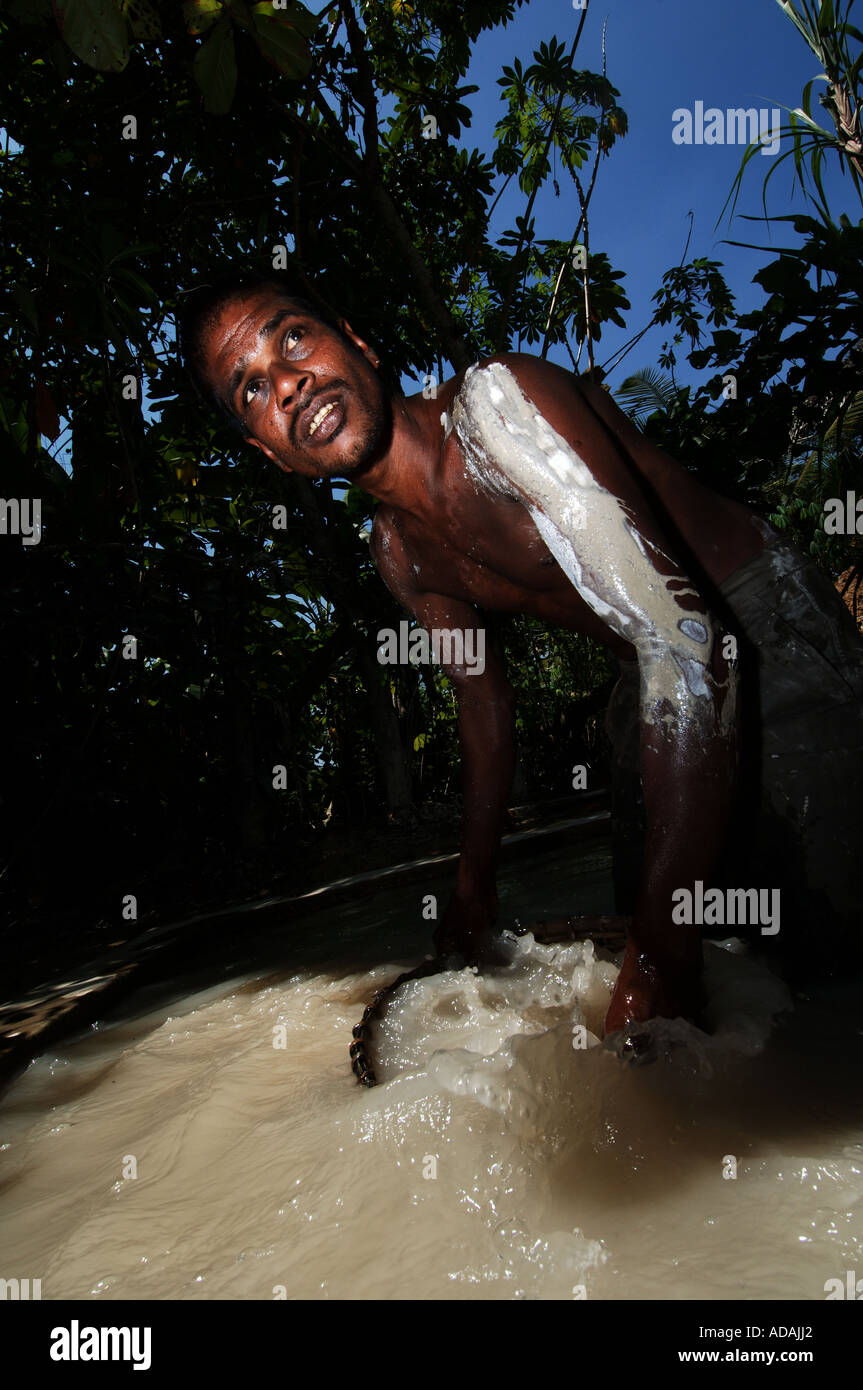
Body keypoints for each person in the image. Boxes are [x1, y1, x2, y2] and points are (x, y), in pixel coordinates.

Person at [178, 269, 863, 1037]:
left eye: (293, 339)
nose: (289, 385)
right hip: (648, 673)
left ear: (357, 344)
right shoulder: (399, 554)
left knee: (823, 950)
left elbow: (687, 639)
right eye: (252, 389)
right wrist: (473, 888)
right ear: (270, 453)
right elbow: (483, 704)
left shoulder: (499, 409)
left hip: (754, 617)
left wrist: (661, 951)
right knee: (686, 954)